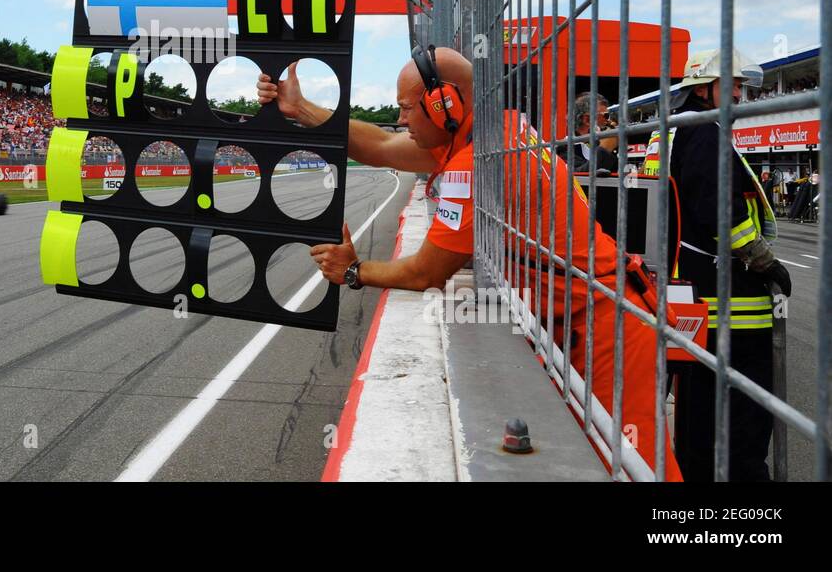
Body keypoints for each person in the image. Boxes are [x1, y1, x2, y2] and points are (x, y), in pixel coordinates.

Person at [259, 47, 681, 480]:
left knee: (638, 471)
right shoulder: (493, 135)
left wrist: (353, 270)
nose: (401, 121)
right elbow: (384, 146)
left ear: (446, 104)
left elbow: (425, 273)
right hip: (586, 320)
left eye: (406, 108)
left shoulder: (474, 166)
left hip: (606, 333)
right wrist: (300, 108)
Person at [642, 48, 788, 482]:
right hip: (732, 305)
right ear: (707, 88)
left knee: (698, 406)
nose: (741, 94)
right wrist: (765, 263)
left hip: (693, 289)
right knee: (745, 412)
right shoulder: (706, 134)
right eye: (735, 85)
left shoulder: (674, 130)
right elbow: (722, 216)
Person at [571, 91, 618, 174]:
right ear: (587, 120)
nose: (609, 121)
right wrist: (605, 148)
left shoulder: (596, 143)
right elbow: (576, 176)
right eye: (606, 115)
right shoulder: (564, 147)